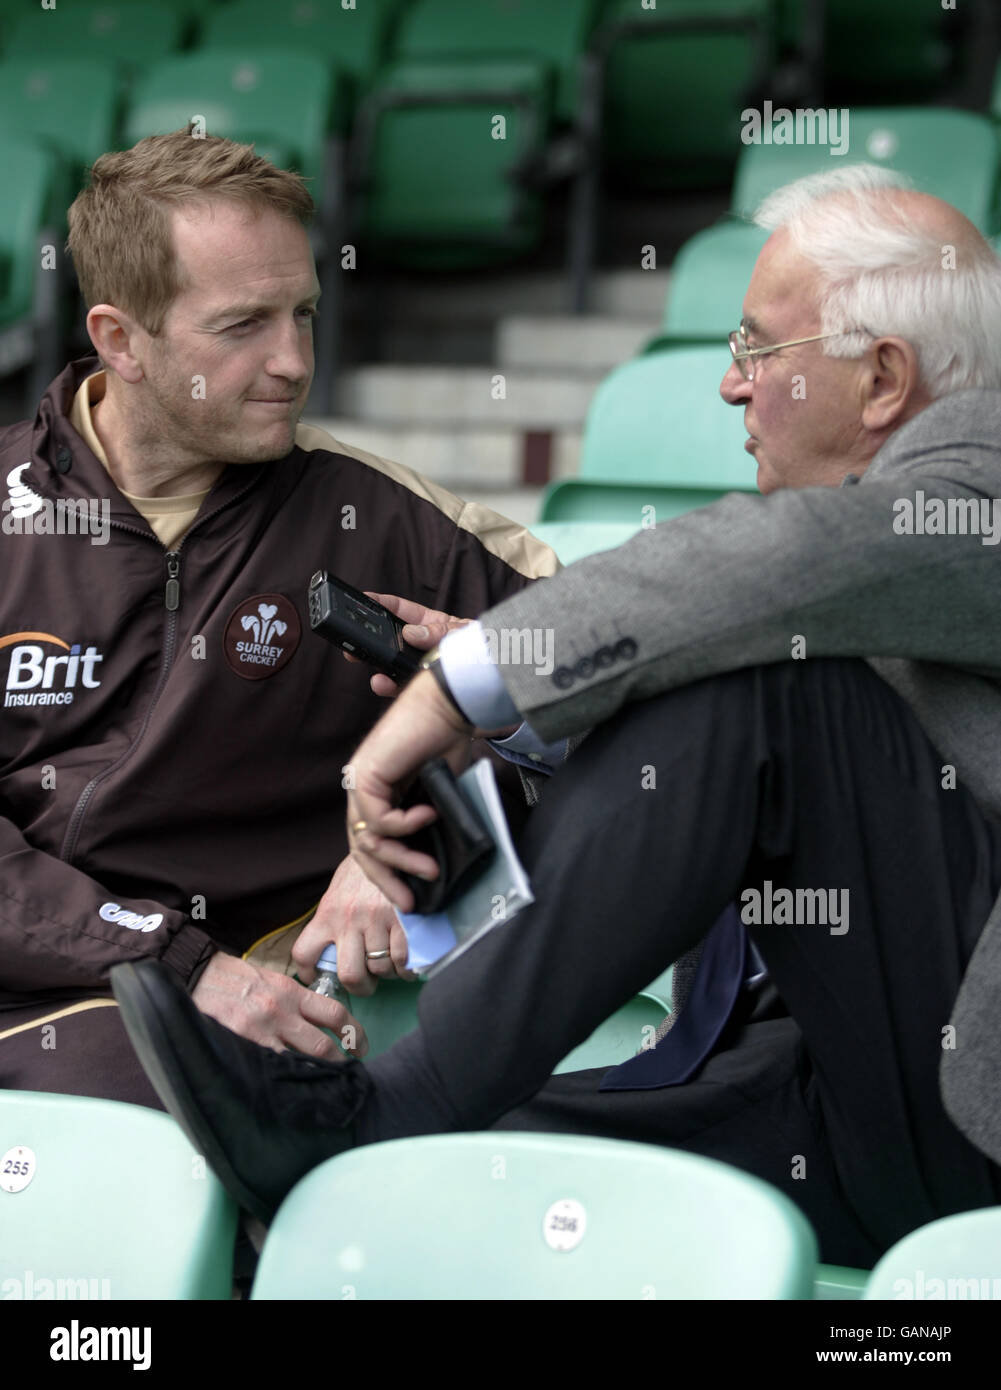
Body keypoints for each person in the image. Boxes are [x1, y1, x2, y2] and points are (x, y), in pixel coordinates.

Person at [111, 164, 1001, 1268]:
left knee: (758, 668)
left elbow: (773, 575)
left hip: (970, 1122)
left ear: (879, 380)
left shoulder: (978, 483)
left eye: (757, 352)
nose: (730, 389)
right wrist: (518, 729)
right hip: (828, 1085)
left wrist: (465, 681)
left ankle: (382, 1107)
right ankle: (364, 1143)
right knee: (434, 1182)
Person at [0, 129, 559, 1106]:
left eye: (303, 312)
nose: (293, 361)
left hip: (197, 1024)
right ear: (119, 338)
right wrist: (176, 960)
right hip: (112, 977)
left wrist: (415, 823)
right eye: (242, 325)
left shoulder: (378, 513)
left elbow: (619, 659)